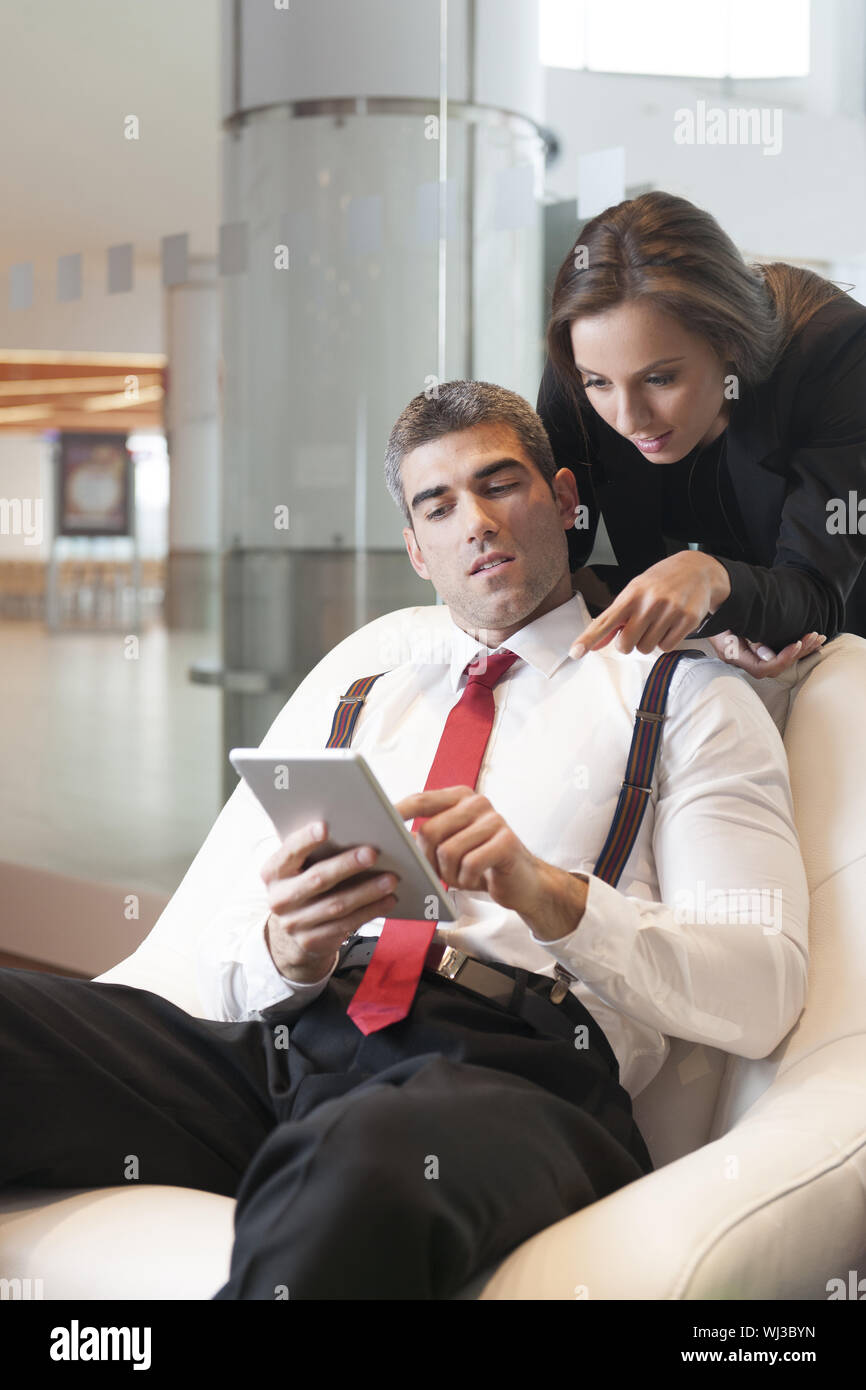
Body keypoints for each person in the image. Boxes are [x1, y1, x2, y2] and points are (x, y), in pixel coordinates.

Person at [0, 382, 809, 1301]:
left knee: (357, 1161)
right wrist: (287, 948)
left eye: (500, 485)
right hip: (294, 1050)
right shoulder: (365, 691)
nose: (477, 523)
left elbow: (764, 987)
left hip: (513, 1072)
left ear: (566, 498)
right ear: (417, 550)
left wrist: (555, 897)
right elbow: (224, 966)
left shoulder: (685, 700)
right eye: (439, 505)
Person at [537, 190, 866, 679]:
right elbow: (553, 555)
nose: (629, 420)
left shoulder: (835, 354)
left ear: (728, 342)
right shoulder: (583, 372)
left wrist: (711, 579)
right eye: (599, 382)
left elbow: (816, 593)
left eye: (660, 379)